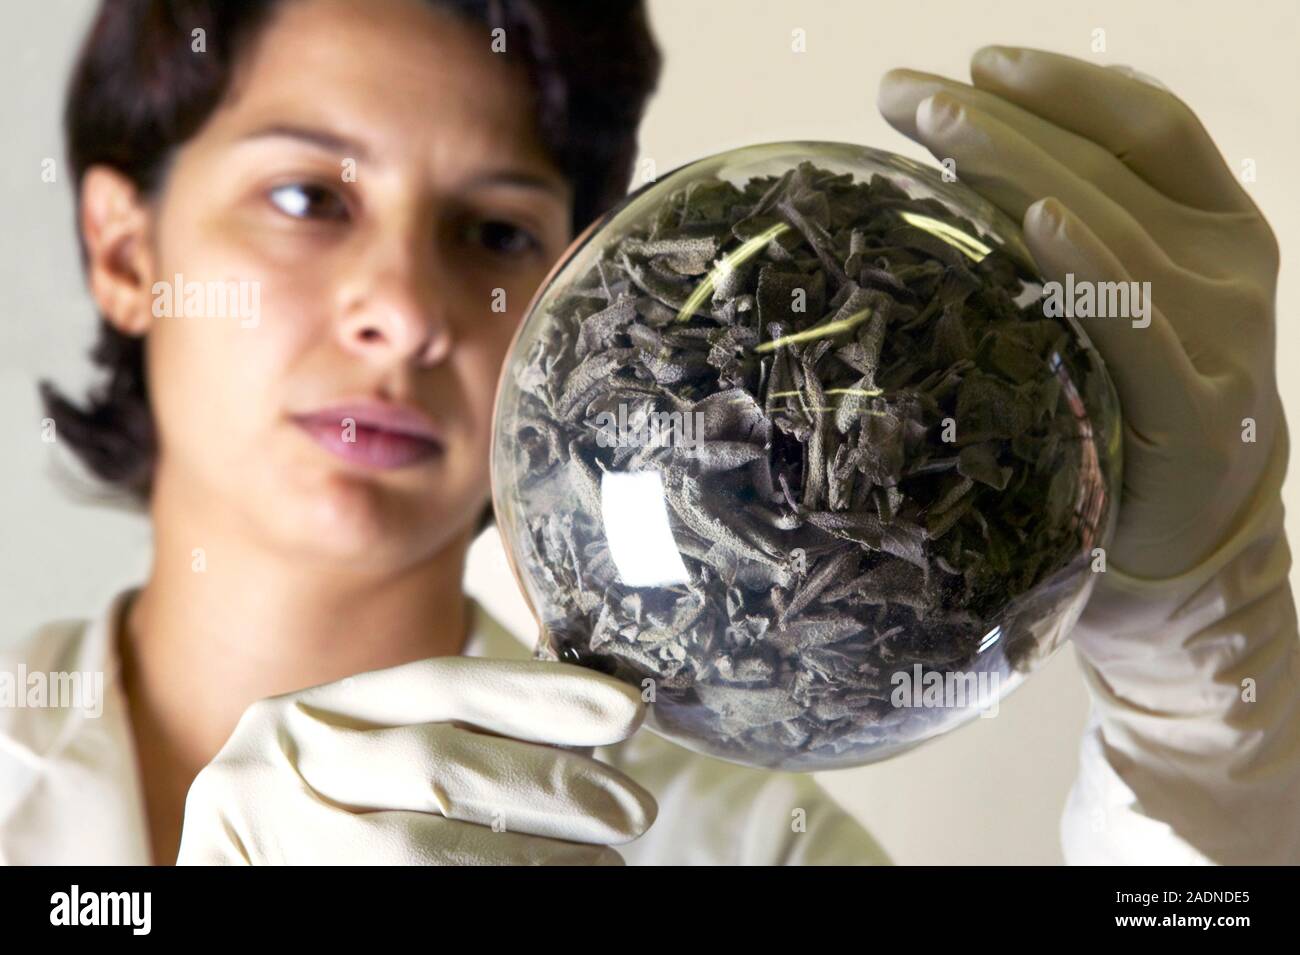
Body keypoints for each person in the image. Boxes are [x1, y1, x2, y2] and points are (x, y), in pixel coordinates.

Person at [1, 0, 1295, 865]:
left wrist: (1199, 687)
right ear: (125, 249)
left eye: (497, 233)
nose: (401, 312)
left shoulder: (749, 847)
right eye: (305, 196)